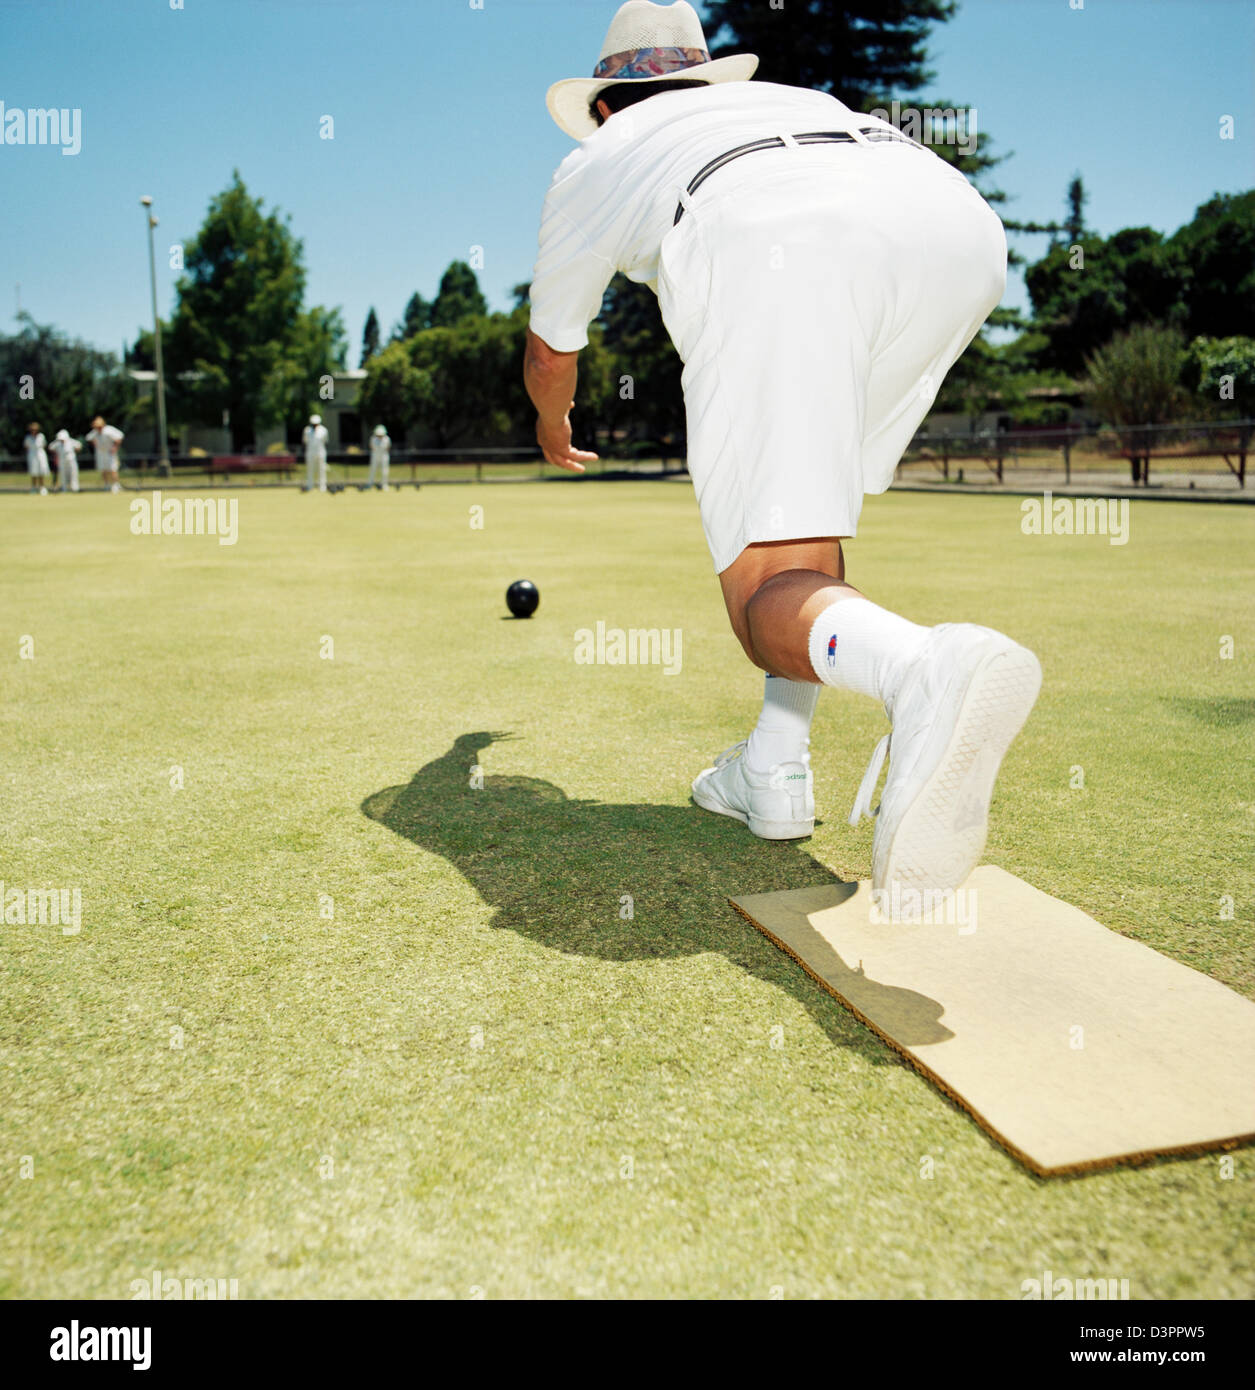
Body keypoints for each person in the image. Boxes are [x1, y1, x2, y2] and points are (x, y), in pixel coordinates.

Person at [524, 0, 1041, 906]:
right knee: (803, 526)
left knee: (763, 591)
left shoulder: (596, 158)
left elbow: (549, 352)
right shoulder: (782, 100)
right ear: (702, 76)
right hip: (951, 230)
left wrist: (552, 427)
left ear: (607, 103)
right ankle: (773, 767)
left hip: (777, 246)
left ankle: (923, 670)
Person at [85, 415, 123, 492]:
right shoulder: (95, 432)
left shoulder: (109, 430)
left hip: (109, 452)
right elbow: (88, 438)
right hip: (100, 453)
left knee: (113, 469)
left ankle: (116, 485)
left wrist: (115, 447)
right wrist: (95, 444)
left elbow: (119, 437)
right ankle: (107, 485)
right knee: (103, 469)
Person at [303, 413, 329, 492]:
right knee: (310, 469)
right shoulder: (307, 430)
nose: (315, 425)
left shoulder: (324, 430)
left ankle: (322, 486)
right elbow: (305, 441)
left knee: (322, 469)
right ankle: (310, 485)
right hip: (310, 452)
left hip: (321, 452)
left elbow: (325, 441)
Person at [24, 422, 50, 494]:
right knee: (33, 471)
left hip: (40, 454)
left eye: (35, 429)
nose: (34, 431)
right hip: (32, 454)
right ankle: (33, 487)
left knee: (41, 471)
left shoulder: (41, 436)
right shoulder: (28, 437)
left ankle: (42, 487)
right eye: (32, 429)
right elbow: (26, 447)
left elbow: (44, 445)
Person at [367, 424, 391, 490]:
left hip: (384, 456)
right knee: (372, 470)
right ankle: (369, 483)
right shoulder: (373, 439)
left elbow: (388, 448)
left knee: (384, 471)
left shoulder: (387, 439)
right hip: (375, 455)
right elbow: (371, 447)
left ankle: (384, 484)